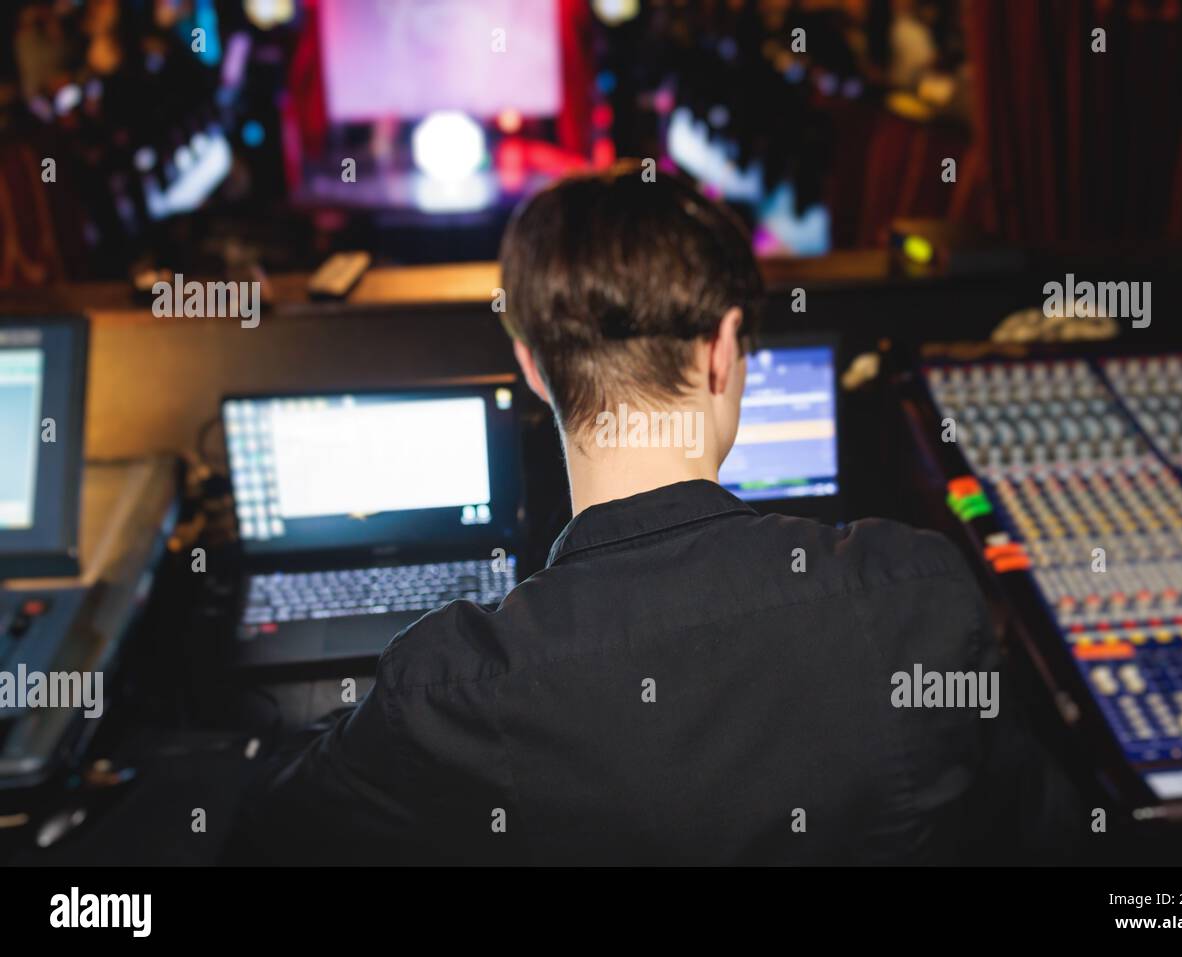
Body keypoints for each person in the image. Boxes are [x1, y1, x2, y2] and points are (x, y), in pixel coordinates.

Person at [227, 162, 1080, 864]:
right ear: (723, 349)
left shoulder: (446, 688)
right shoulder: (917, 591)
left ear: (530, 365)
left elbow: (261, 836)